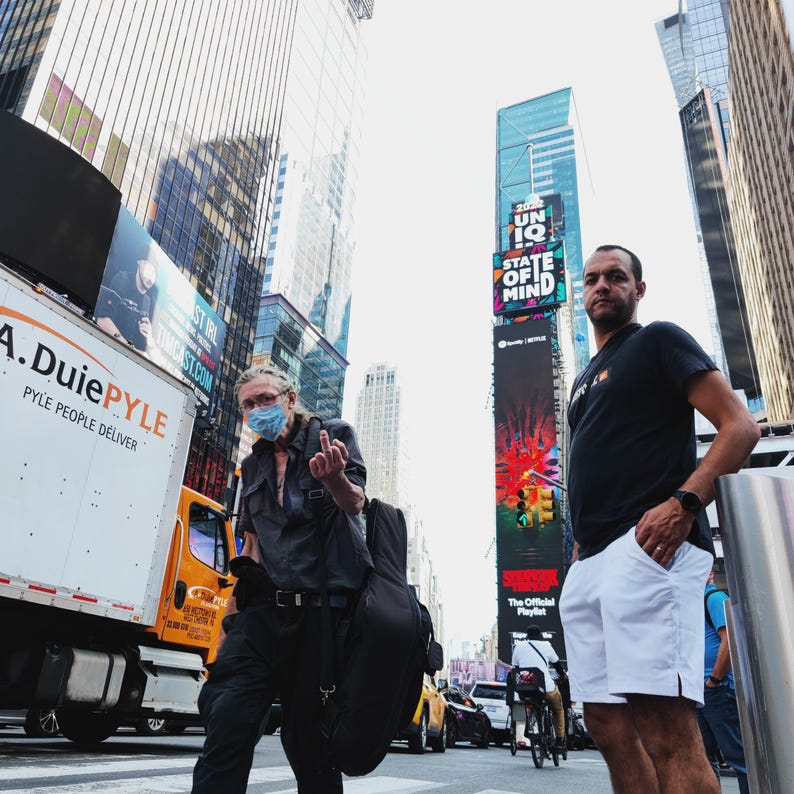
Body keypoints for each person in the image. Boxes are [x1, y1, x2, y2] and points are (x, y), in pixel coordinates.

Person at [559, 244, 760, 794]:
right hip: (591, 562)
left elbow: (740, 427)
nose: (602, 285)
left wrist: (685, 503)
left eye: (616, 277)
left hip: (649, 549)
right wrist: (581, 545)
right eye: (593, 278)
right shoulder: (581, 383)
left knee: (663, 725)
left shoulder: (657, 340)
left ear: (637, 289)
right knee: (606, 726)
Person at [192, 365, 372, 794]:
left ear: (290, 399)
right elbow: (250, 551)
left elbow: (356, 504)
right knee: (226, 723)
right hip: (262, 616)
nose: (258, 410)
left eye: (266, 399)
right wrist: (224, 633)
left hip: (322, 618)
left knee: (308, 743)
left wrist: (333, 480)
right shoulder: (251, 466)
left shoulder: (334, 435)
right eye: (248, 405)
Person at [697, 569, 750, 794]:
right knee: (703, 761)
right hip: (701, 692)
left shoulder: (715, 598)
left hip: (717, 690)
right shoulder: (696, 604)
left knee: (738, 758)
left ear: (709, 573)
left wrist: (714, 680)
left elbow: (729, 640)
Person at [511, 624, 567, 750]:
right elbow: (557, 664)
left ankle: (528, 727)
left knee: (529, 706)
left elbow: (516, 668)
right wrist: (562, 676)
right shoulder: (546, 645)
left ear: (527, 636)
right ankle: (559, 740)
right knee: (558, 710)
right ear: (540, 635)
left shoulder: (518, 647)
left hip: (527, 688)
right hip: (546, 687)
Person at [95, 257, 158, 355]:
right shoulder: (123, 280)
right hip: (105, 349)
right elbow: (102, 320)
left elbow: (157, 359)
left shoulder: (152, 305)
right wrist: (131, 350)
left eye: (155, 272)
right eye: (149, 267)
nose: (151, 276)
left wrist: (150, 341)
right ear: (139, 261)